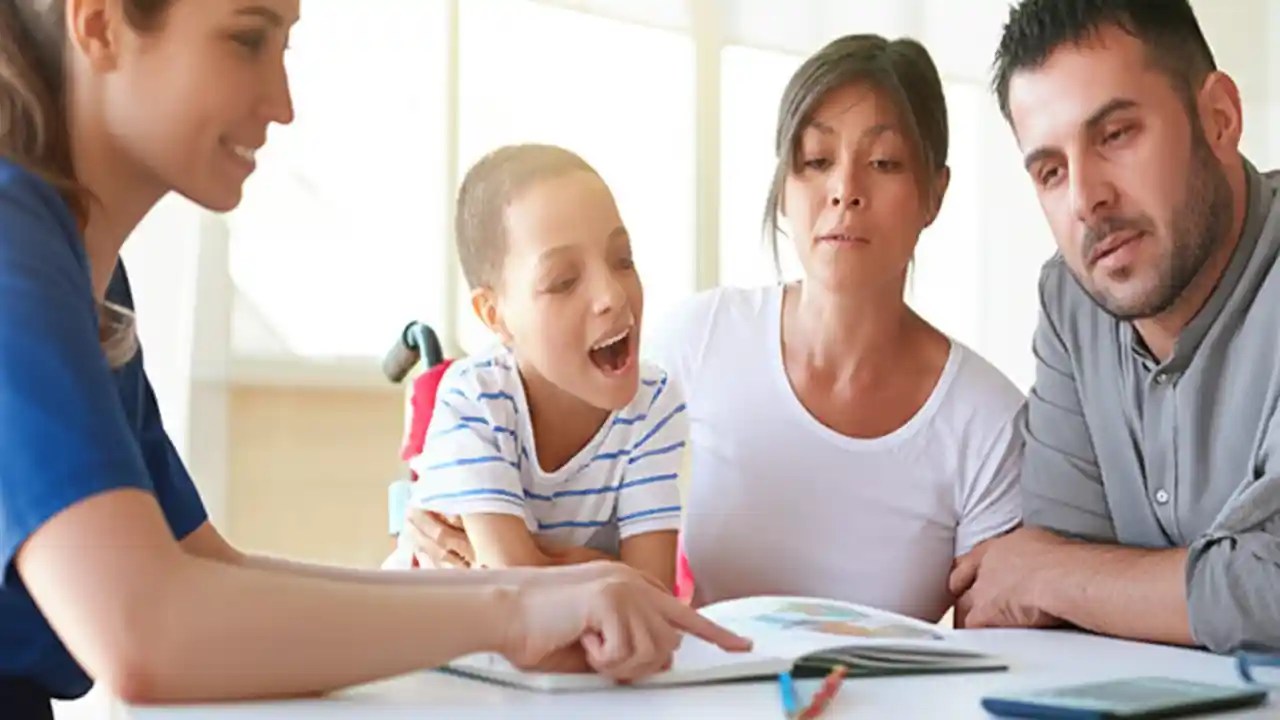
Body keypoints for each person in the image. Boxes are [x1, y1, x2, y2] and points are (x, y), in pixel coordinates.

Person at [0, 0, 748, 714]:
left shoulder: (90, 279)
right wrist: (513, 606)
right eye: (248, 39)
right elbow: (146, 630)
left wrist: (510, 597)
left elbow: (200, 566)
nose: (283, 100)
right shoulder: (12, 249)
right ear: (98, 24)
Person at [406, 34, 1027, 626]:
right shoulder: (699, 339)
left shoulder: (988, 421)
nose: (845, 191)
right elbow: (544, 398)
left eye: (885, 162)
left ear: (934, 194)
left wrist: (547, 566)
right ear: (784, 189)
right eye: (814, 160)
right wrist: (425, 513)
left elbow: (985, 659)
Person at [952, 0, 1280, 654]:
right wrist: (1066, 576)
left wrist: (1053, 575)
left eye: (1116, 135)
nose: (1085, 199)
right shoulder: (1071, 300)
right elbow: (1056, 574)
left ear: (1219, 118)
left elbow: (1268, 592)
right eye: (1050, 171)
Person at [383, 145, 685, 592]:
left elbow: (655, 591)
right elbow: (515, 590)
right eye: (564, 281)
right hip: (433, 637)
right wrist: (609, 571)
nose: (613, 296)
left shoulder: (653, 401)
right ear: (494, 315)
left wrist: (541, 563)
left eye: (622, 260)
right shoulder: (476, 399)